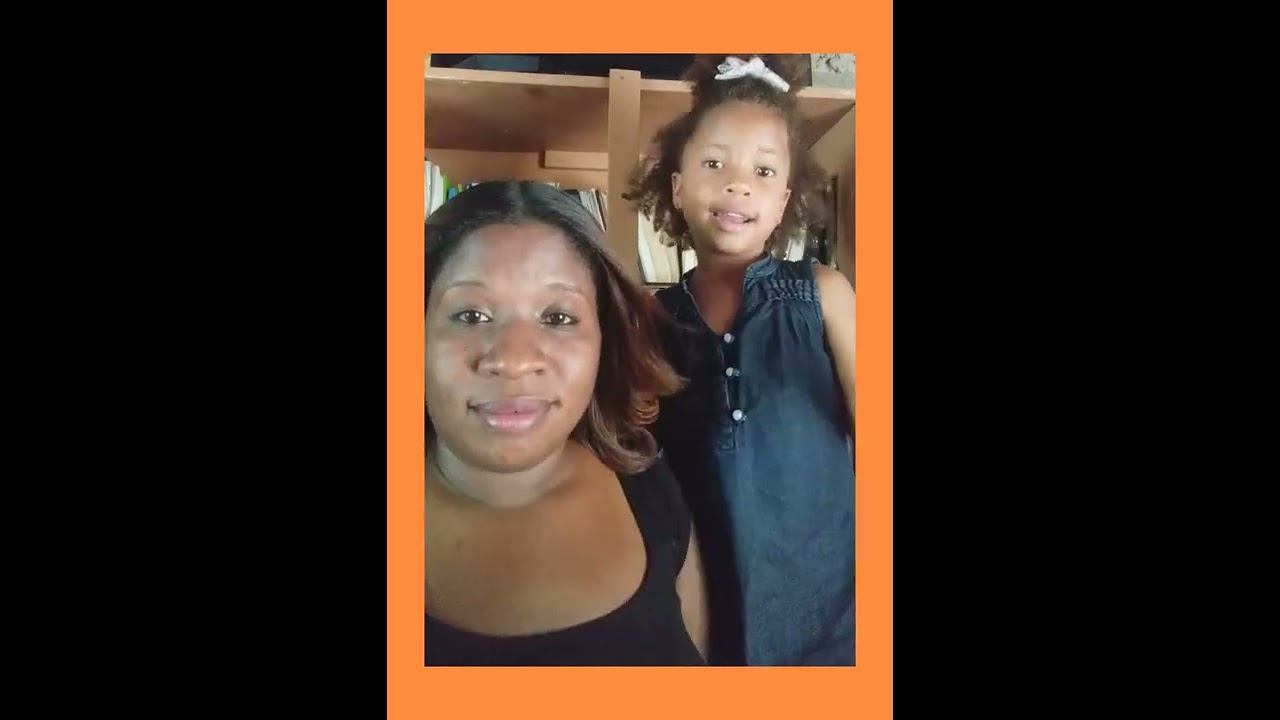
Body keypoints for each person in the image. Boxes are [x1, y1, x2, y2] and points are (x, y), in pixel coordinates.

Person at [625, 55, 856, 665]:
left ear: (783, 202)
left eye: (763, 170)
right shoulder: (651, 319)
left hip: (833, 605)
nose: (738, 184)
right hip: (701, 598)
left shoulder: (824, 293)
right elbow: (636, 447)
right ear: (677, 186)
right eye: (714, 163)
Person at [424, 180, 706, 665]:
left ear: (604, 340)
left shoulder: (650, 487)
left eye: (558, 318)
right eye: (470, 315)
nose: (513, 360)